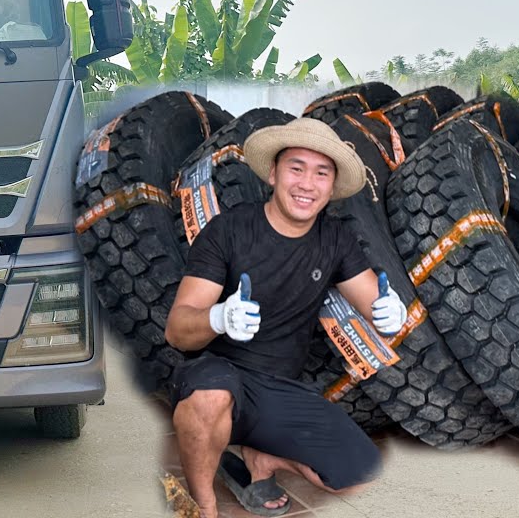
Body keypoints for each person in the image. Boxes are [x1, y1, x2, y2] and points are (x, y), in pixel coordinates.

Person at [164, 117, 407, 517]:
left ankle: (263, 460)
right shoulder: (229, 230)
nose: (307, 184)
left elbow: (373, 300)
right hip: (216, 374)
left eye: (321, 173)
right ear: (274, 173)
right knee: (211, 395)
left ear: (331, 186)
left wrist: (390, 313)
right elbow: (177, 331)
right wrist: (219, 318)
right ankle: (204, 506)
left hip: (279, 390)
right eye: (296, 168)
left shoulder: (335, 238)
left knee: (360, 471)